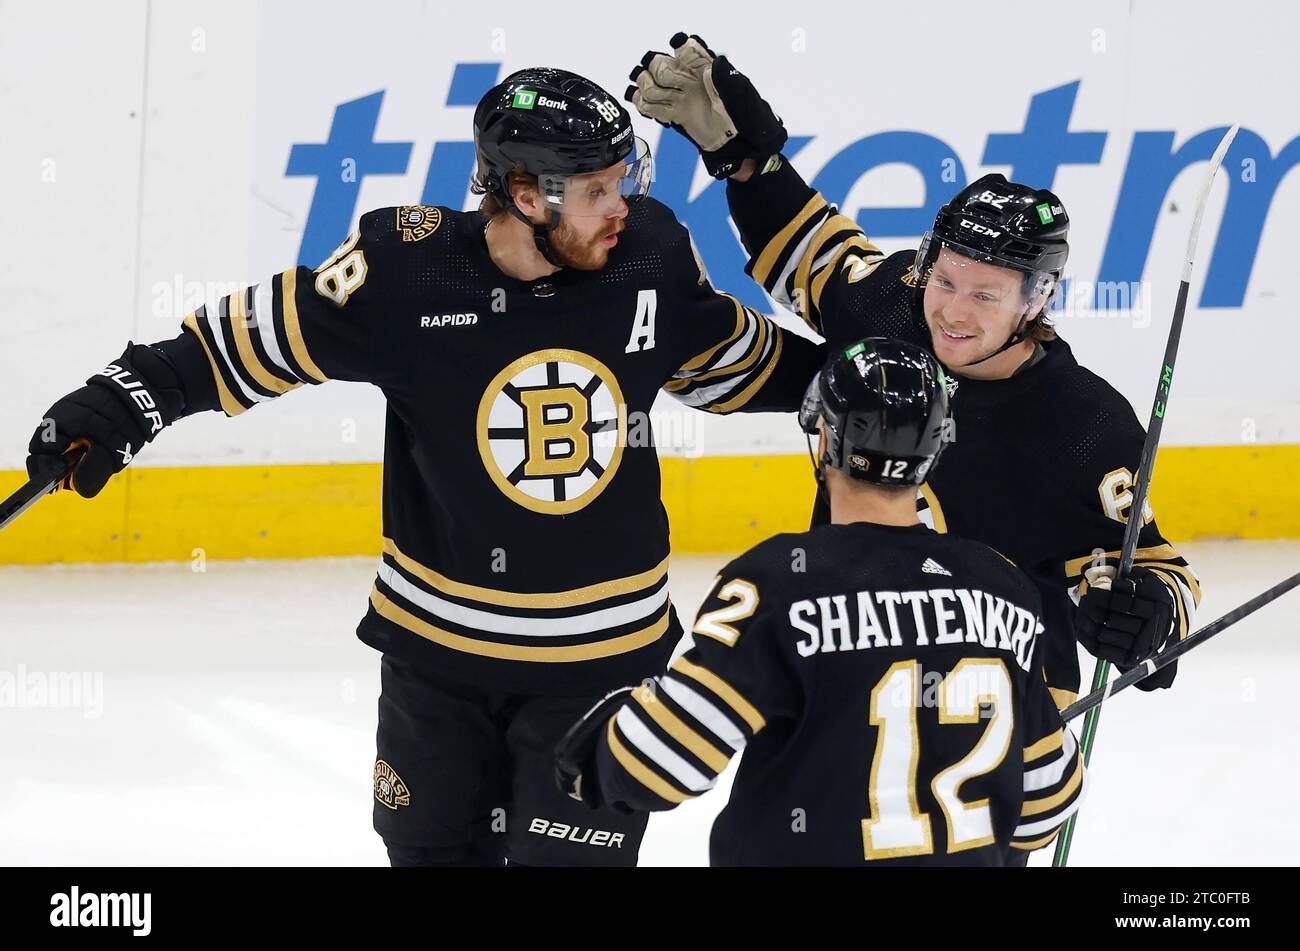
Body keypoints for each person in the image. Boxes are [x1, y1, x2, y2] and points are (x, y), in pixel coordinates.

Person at [23, 67, 822, 867]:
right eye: (595, 191)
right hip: (436, 669)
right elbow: (239, 347)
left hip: (600, 665)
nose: (621, 207)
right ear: (523, 193)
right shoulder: (406, 272)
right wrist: (123, 401)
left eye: (624, 183)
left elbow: (737, 364)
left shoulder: (648, 255)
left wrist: (865, 378)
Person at [625, 34, 1201, 715]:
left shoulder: (1084, 425)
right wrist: (748, 164)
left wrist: (1150, 616)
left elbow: (1160, 570)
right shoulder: (892, 299)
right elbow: (805, 246)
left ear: (1037, 299)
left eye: (985, 295)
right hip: (844, 660)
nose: (952, 313)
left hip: (1001, 709)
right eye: (947, 280)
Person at [556, 338, 1085, 865]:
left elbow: (657, 765)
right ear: (937, 447)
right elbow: (1044, 806)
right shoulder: (1004, 590)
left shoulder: (780, 585)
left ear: (825, 435)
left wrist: (589, 757)